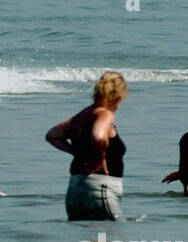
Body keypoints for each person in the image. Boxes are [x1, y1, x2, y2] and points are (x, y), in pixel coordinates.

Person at [45, 72, 128, 220]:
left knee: (84, 241)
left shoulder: (82, 115)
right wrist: (99, 159)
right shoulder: (105, 115)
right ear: (118, 97)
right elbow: (98, 136)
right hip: (100, 188)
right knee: (112, 239)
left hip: (75, 189)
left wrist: (76, 152)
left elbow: (52, 135)